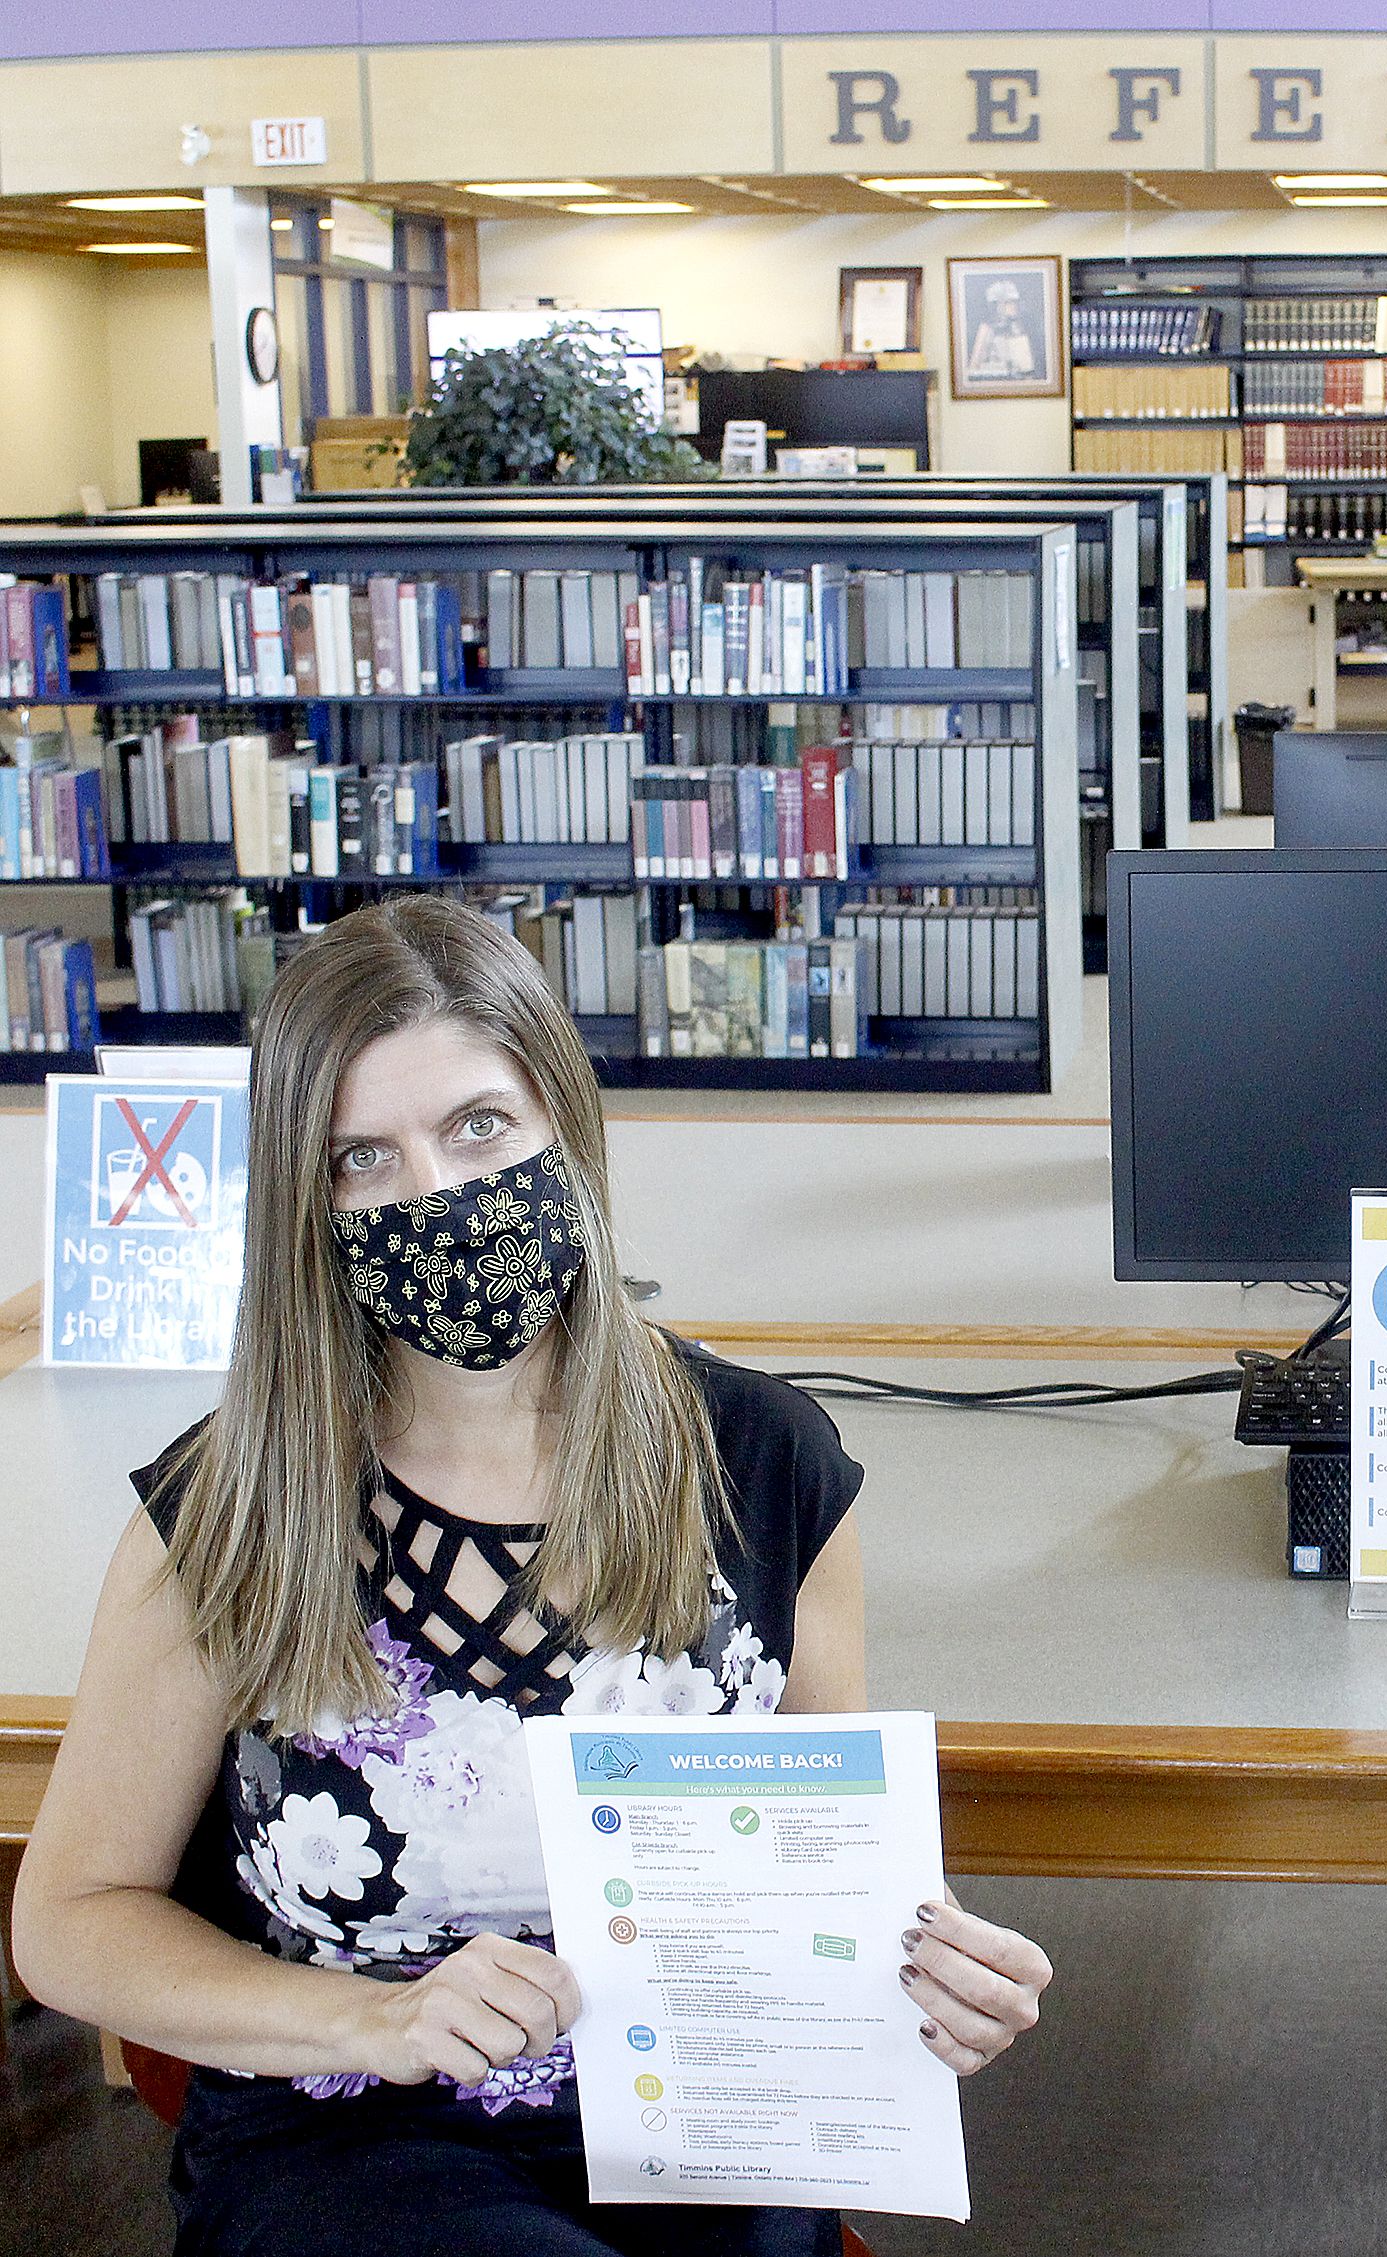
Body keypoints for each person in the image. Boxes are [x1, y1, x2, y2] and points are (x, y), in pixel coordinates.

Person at [12, 896, 1052, 2255]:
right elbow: (72, 1922)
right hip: (360, 2135)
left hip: (706, 2118)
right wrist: (372, 2016)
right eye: (360, 1159)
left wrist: (935, 1966)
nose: (435, 1194)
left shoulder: (764, 1461)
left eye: (479, 1128)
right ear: (303, 1201)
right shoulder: (231, 1509)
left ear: (566, 1118)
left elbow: (821, 1861)